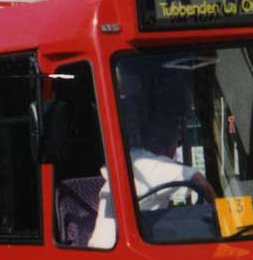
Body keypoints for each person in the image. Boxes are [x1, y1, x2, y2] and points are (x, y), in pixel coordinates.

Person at [88, 76, 214, 249]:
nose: (178, 142)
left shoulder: (131, 156)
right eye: (177, 137)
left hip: (103, 249)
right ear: (166, 138)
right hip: (118, 257)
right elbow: (199, 180)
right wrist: (223, 211)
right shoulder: (155, 166)